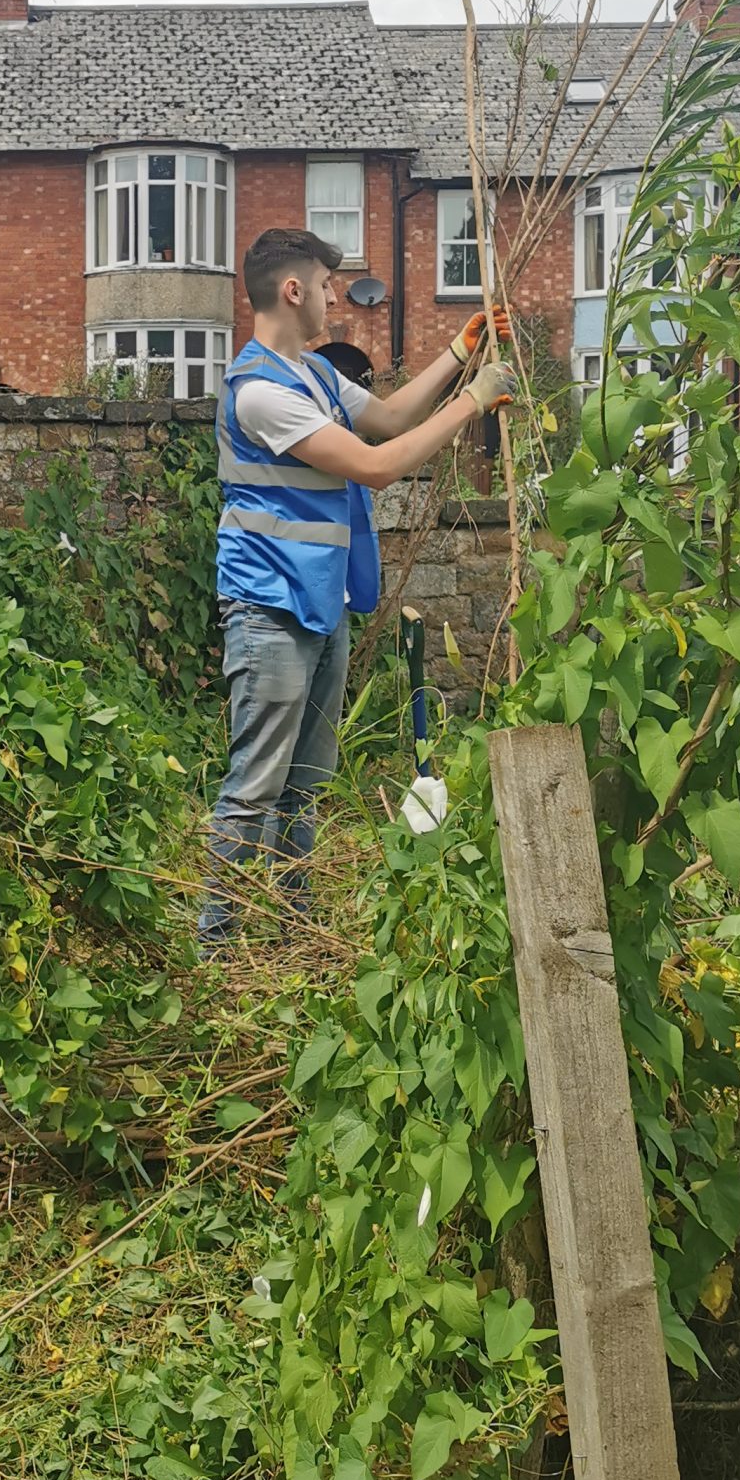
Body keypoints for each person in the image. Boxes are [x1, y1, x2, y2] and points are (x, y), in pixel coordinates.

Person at [199, 227, 515, 948]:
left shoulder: (310, 373)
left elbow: (390, 415)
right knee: (255, 788)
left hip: (319, 603)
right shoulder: (259, 394)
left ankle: (293, 926)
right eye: (325, 285)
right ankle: (215, 943)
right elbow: (375, 464)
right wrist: (472, 406)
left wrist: (459, 357)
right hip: (270, 610)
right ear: (293, 290)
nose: (333, 298)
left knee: (303, 784)